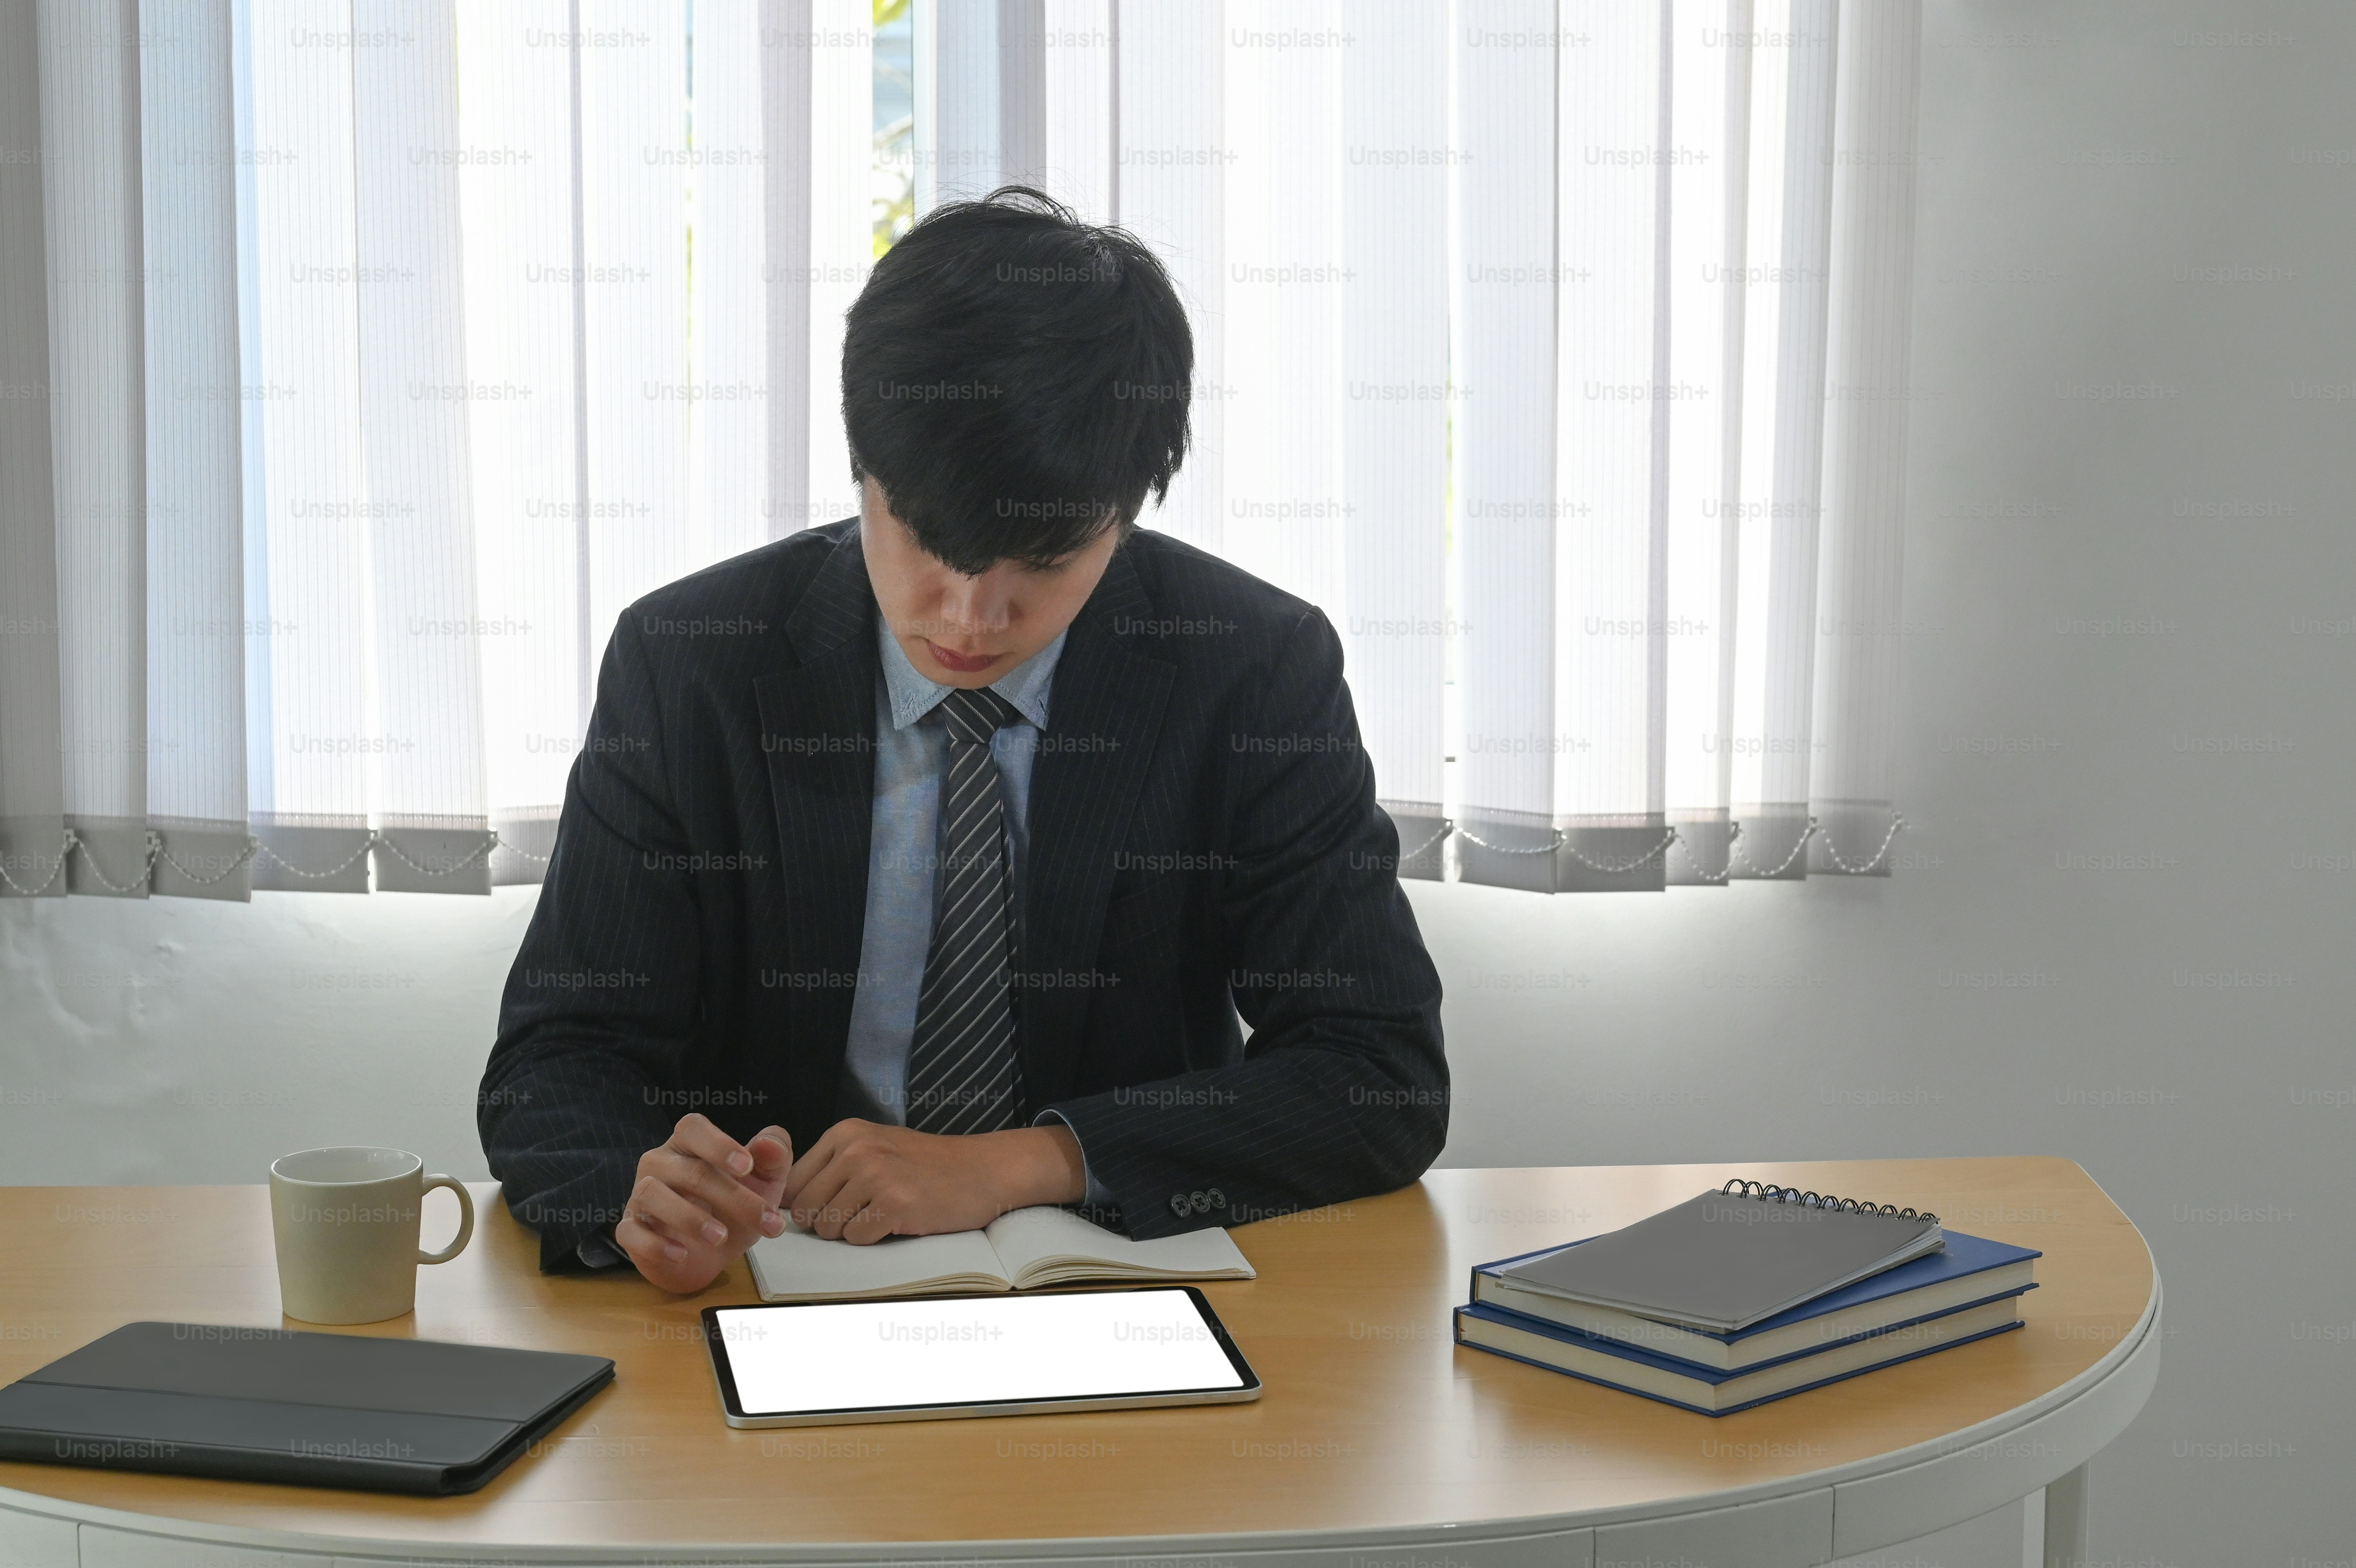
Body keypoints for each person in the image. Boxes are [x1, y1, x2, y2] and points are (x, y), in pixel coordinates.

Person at [478, 186, 1446, 1292]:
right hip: (766, 1293)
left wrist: (1024, 1163)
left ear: (1130, 510)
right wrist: (638, 1193)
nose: (969, 619)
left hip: (1121, 1291)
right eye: (927, 544)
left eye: (1043, 563)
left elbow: (1379, 1073)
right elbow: (557, 1060)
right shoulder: (691, 662)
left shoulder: (1254, 669)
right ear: (863, 474)